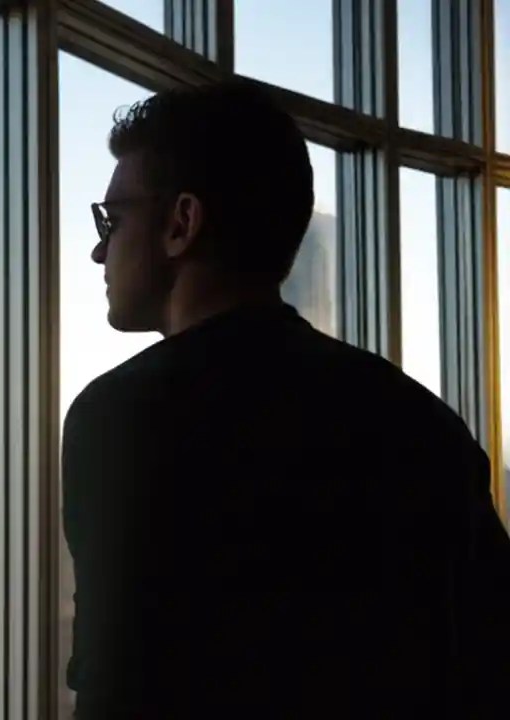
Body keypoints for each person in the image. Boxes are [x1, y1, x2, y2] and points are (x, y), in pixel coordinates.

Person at [62, 80, 510, 718]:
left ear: (181, 223)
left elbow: (119, 685)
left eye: (113, 219)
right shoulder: (418, 418)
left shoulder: (124, 417)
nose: (99, 248)